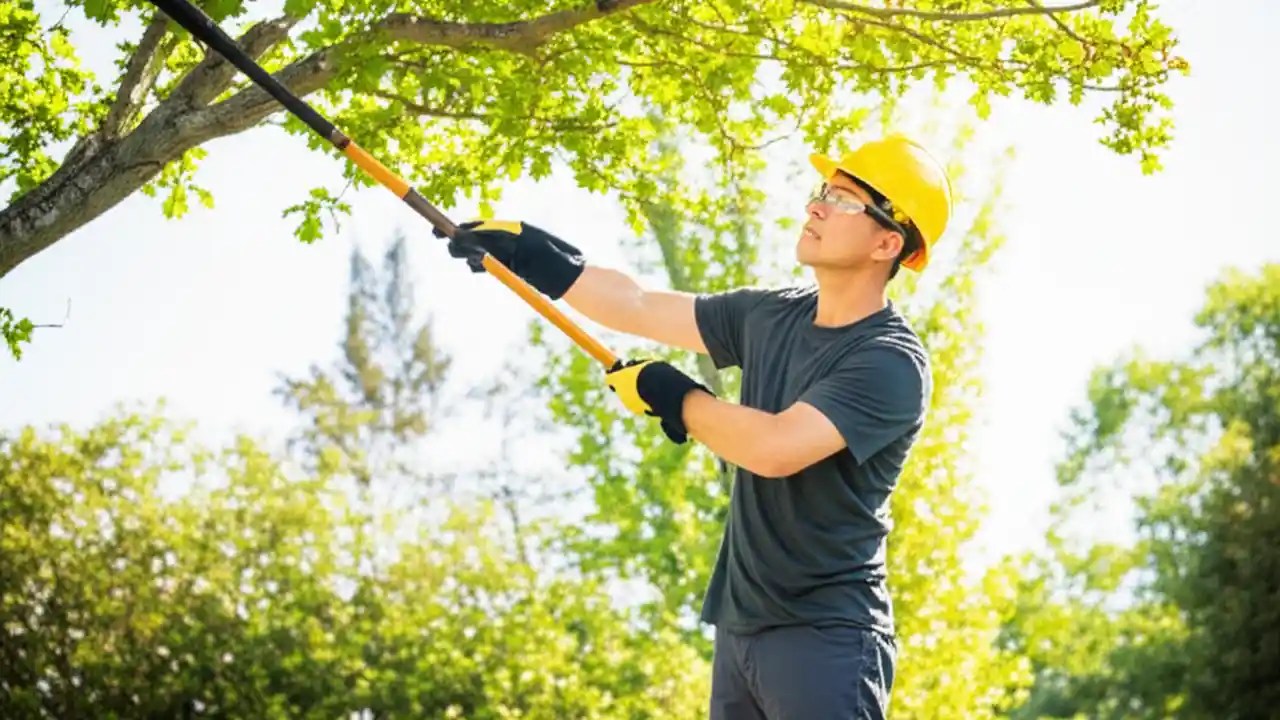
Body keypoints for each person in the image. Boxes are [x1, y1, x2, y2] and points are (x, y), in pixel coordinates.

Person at [439, 134, 952, 719]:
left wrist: (678, 397)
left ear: (888, 241)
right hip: (740, 627)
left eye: (842, 199)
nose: (815, 206)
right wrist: (538, 257)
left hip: (827, 635)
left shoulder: (888, 361)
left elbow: (777, 448)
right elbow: (637, 305)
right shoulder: (769, 314)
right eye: (823, 191)